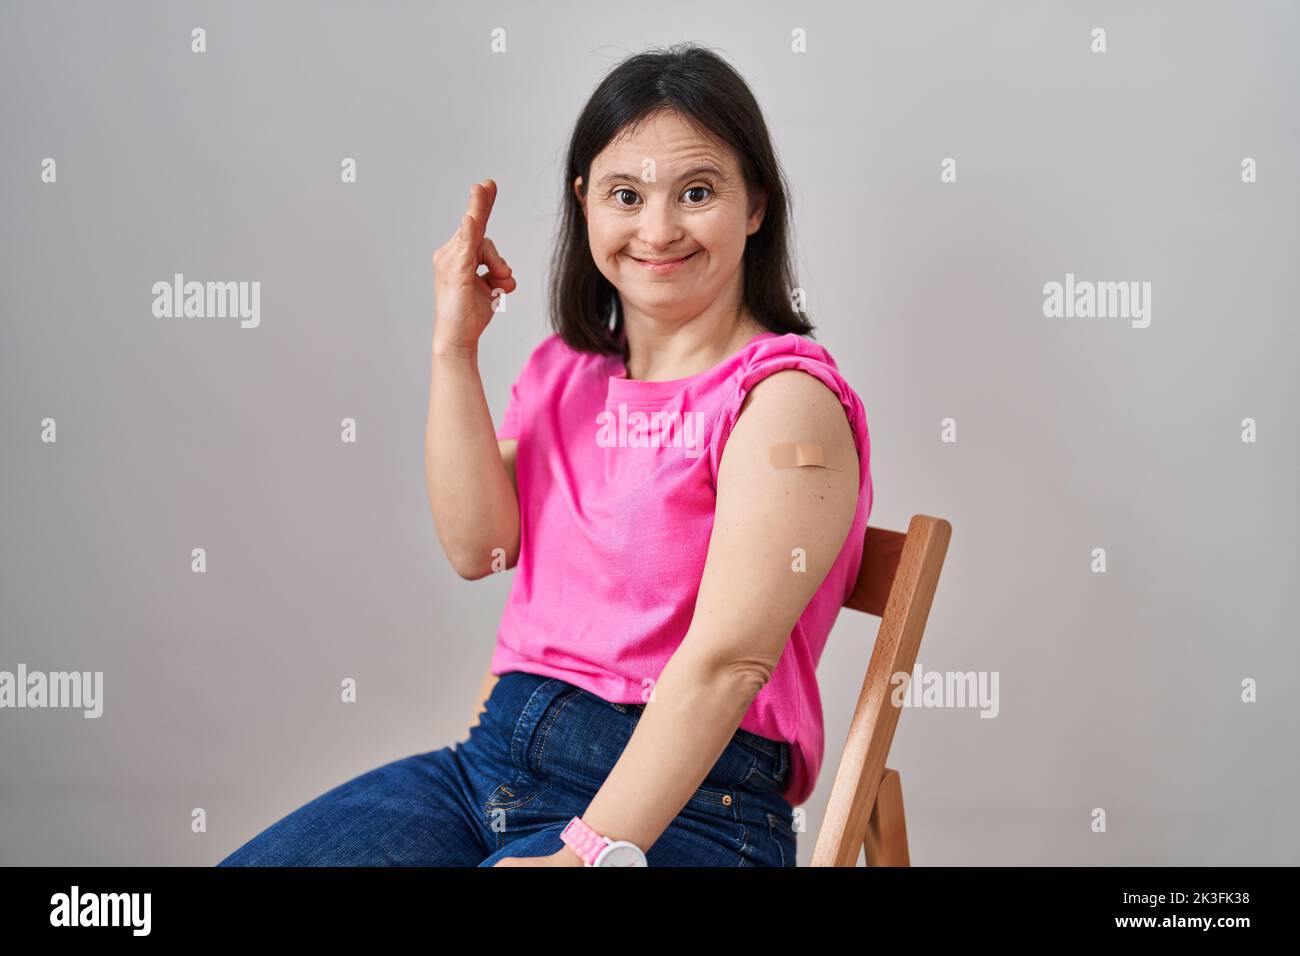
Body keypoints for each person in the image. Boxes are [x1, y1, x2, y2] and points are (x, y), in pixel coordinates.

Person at [218, 41, 872, 868]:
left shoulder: (785, 402)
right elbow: (474, 546)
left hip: (693, 805)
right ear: (585, 205)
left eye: (698, 192)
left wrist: (589, 853)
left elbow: (727, 665)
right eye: (625, 195)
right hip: (492, 761)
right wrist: (454, 349)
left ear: (755, 206)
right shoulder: (564, 373)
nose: (658, 228)